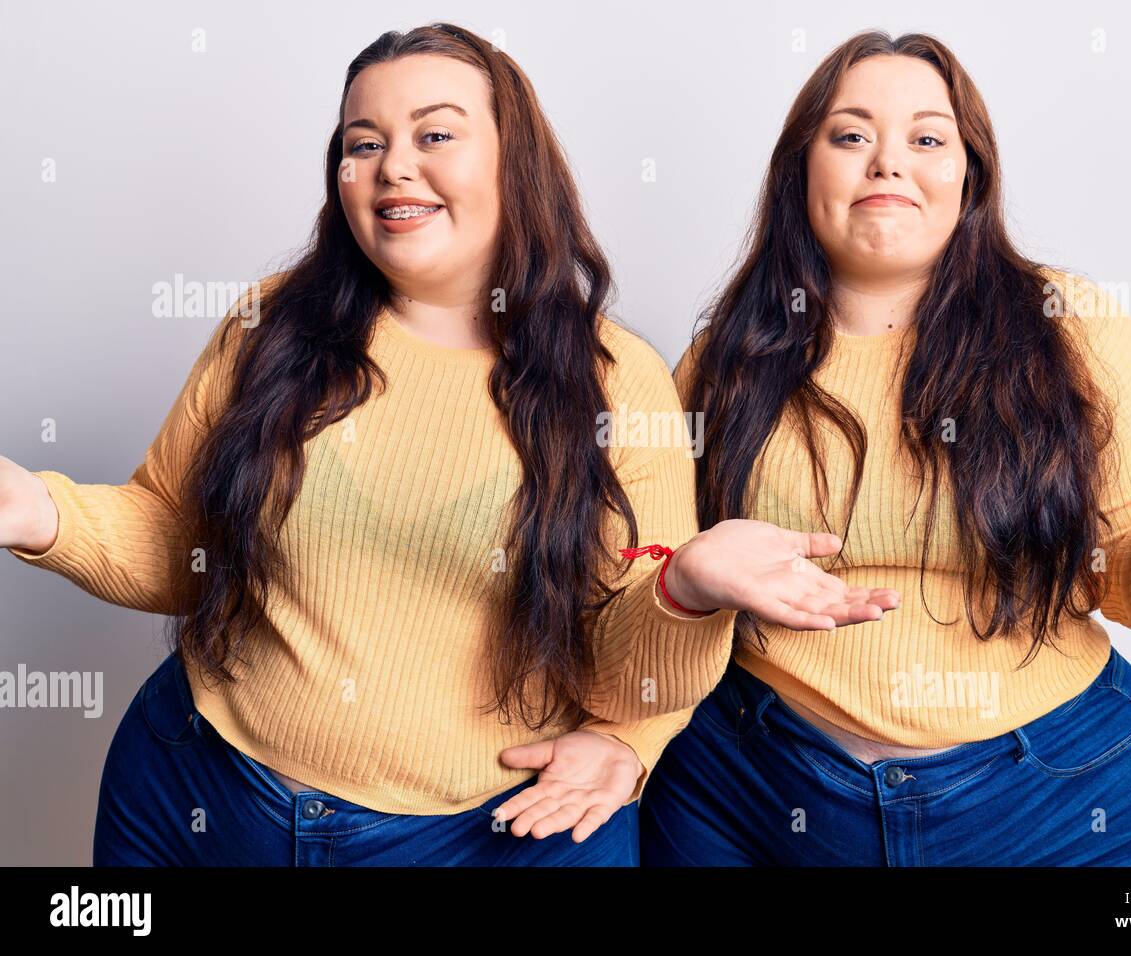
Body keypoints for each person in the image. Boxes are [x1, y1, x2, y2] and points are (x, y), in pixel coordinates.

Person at [0, 23, 895, 866]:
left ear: (515, 165)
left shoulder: (616, 380)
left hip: (477, 833)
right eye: (363, 142)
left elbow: (628, 685)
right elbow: (180, 546)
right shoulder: (271, 325)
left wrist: (685, 586)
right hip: (193, 792)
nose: (394, 168)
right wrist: (37, 511)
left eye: (435, 136)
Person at [639, 29, 1131, 866]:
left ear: (969, 177)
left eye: (926, 139)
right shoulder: (727, 354)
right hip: (753, 793)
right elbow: (650, 579)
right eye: (850, 136)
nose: (887, 163)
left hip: (1059, 803)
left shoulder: (1068, 324)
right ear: (801, 172)